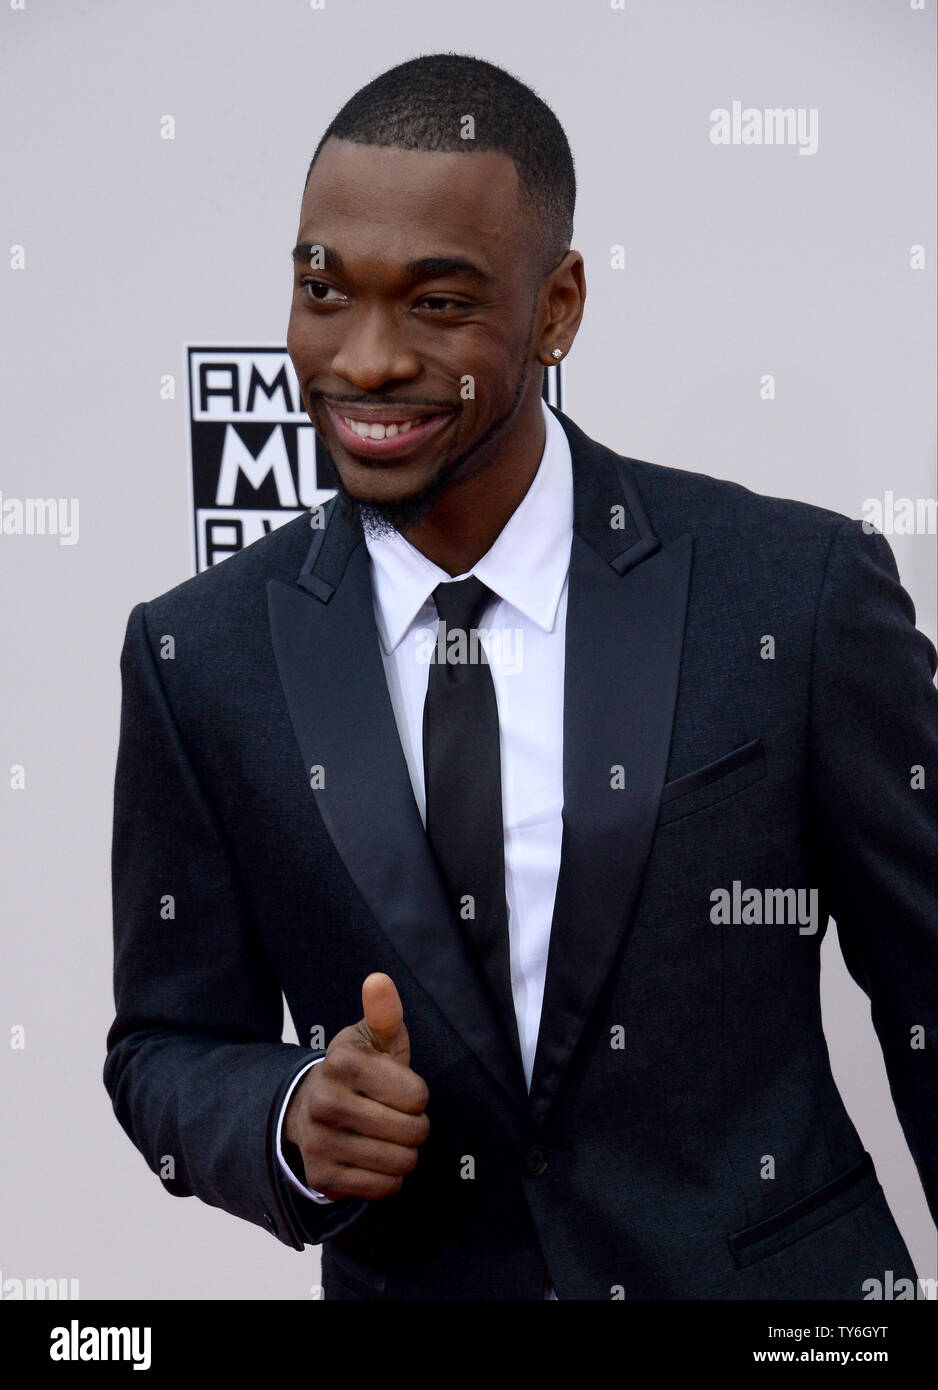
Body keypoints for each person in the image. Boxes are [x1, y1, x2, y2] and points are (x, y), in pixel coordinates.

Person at [104, 53, 937, 1300]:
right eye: (324, 291)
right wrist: (291, 1118)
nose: (367, 360)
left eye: (437, 304)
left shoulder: (796, 593)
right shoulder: (200, 654)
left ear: (556, 309)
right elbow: (164, 1044)